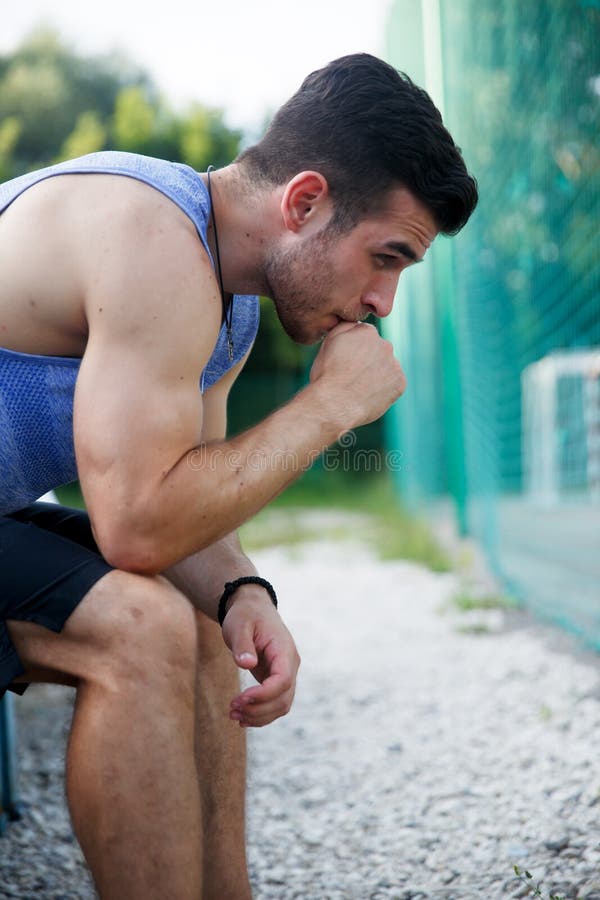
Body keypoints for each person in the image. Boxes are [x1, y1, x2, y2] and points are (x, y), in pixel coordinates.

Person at [0, 53, 477, 899]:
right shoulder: (151, 238)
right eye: (387, 256)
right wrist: (328, 410)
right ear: (304, 203)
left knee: (203, 613)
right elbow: (138, 526)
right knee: (138, 624)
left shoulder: (231, 304)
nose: (384, 301)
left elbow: (185, 506)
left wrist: (244, 593)